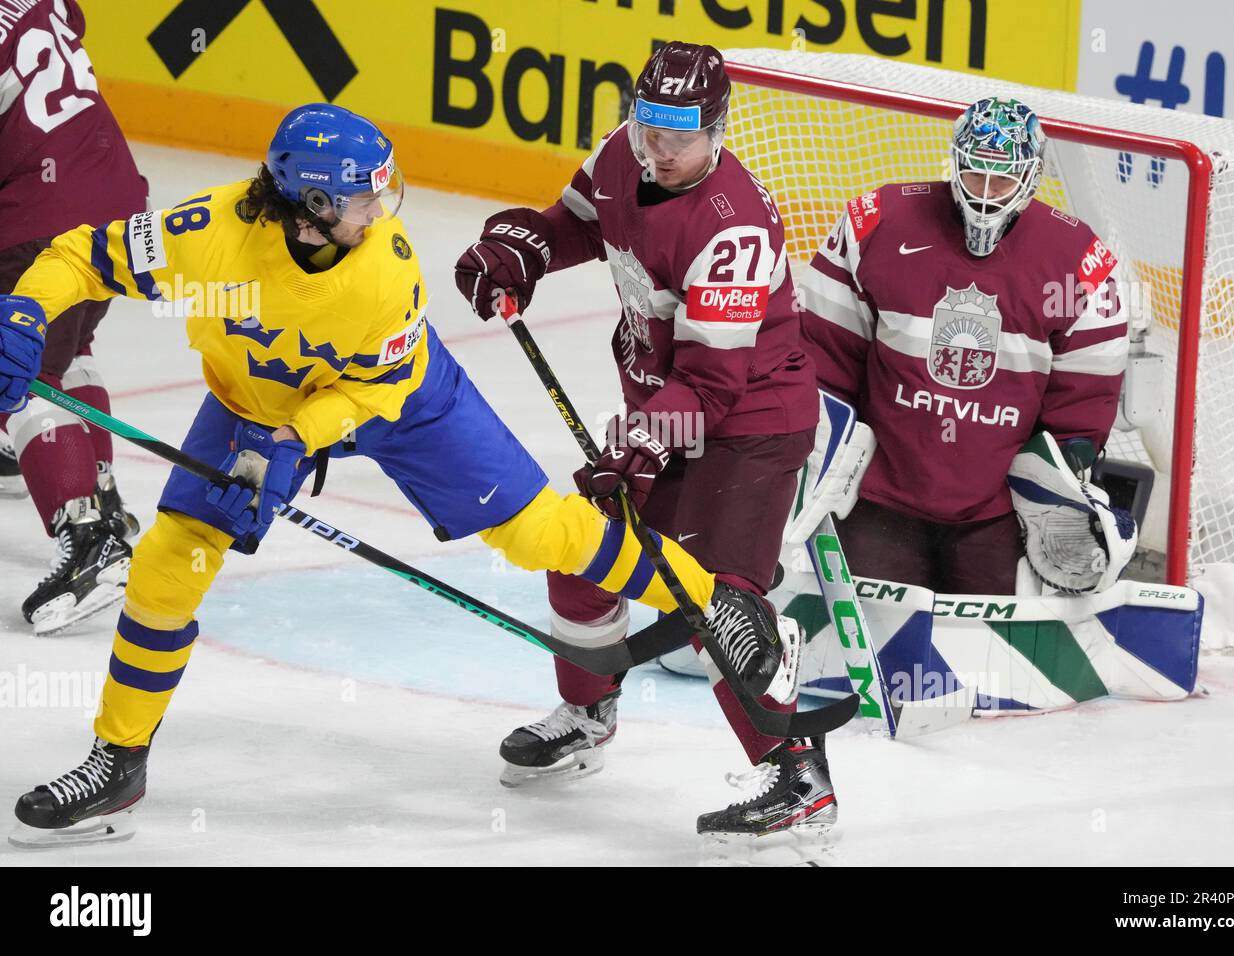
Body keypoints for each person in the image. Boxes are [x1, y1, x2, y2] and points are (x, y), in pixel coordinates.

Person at [0, 103, 786, 848]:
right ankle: (118, 762)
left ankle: (709, 599)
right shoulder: (199, 236)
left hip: (405, 401)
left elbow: (375, 390)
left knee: (539, 530)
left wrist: (293, 439)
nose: (382, 214)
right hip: (256, 399)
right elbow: (76, 258)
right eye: (361, 202)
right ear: (308, 206)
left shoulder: (384, 270)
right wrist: (25, 316)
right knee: (169, 565)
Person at [455, 42, 835, 839]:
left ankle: (798, 777)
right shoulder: (623, 154)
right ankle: (588, 717)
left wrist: (643, 446)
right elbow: (576, 226)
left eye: (679, 138)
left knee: (717, 600)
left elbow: (713, 384)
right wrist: (519, 253)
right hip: (665, 410)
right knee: (586, 556)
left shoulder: (734, 231)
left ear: (718, 129)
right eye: (646, 128)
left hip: (748, 427)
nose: (657, 151)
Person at [798, 97, 1128, 594]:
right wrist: (812, 461)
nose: (987, 194)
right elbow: (824, 360)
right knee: (882, 653)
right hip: (878, 497)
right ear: (954, 161)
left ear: (1032, 177)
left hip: (998, 512)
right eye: (975, 174)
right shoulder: (877, 225)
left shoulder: (1080, 264)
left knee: (993, 667)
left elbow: (1083, 405)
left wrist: (1060, 489)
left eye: (1003, 180)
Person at [0, 0, 145, 633]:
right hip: (114, 197)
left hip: (39, 214)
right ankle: (101, 489)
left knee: (16, 372)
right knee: (73, 341)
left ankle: (89, 537)